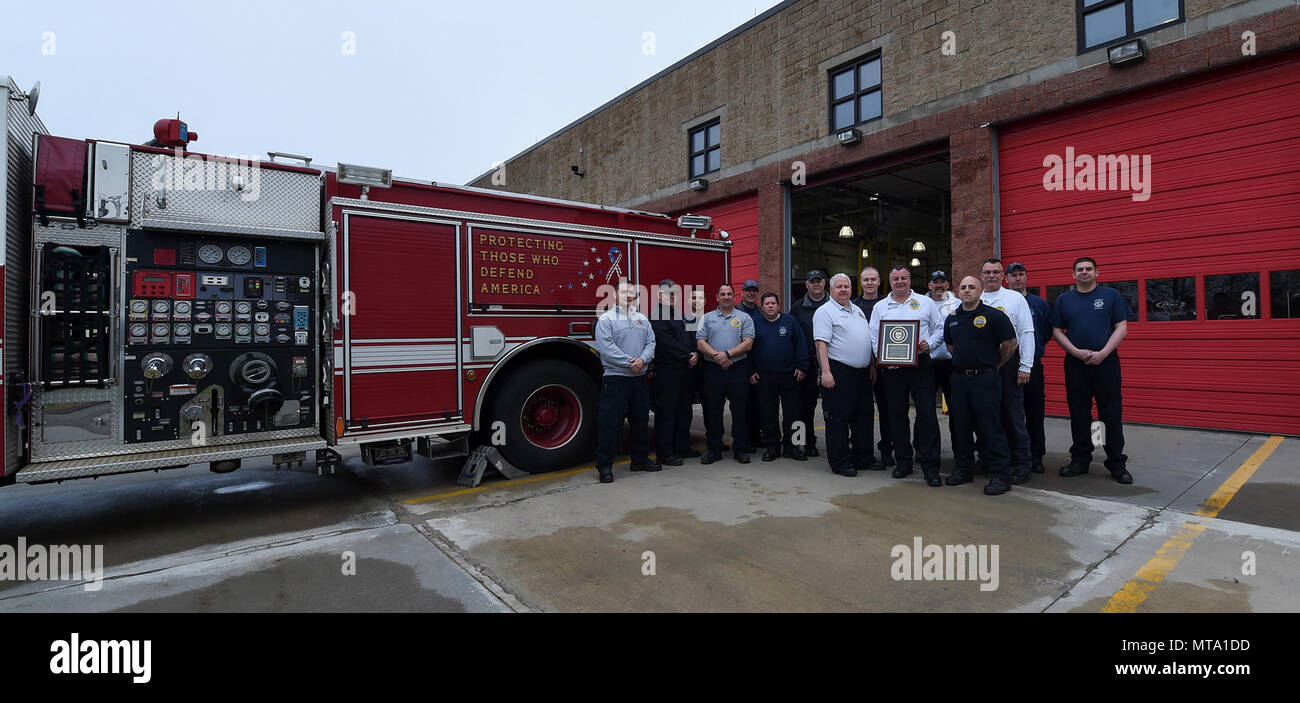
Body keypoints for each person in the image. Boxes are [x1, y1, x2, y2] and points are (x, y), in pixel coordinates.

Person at [1051, 256, 1132, 484]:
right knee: (1079, 413)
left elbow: (1121, 327)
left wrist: (1103, 353)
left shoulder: (1111, 296)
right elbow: (1057, 331)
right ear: (1073, 274)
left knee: (1110, 414)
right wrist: (1076, 352)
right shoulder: (1064, 300)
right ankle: (1080, 460)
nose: (1084, 272)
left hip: (1106, 363)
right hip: (1076, 365)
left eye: (1088, 269)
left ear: (1097, 272)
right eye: (1079, 269)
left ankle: (1116, 463)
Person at [868, 266, 946, 486]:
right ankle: (903, 462)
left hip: (921, 364)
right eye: (895, 279)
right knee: (896, 415)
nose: (900, 282)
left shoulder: (925, 302)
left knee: (927, 415)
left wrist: (929, 344)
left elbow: (940, 329)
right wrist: (882, 358)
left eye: (903, 278)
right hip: (892, 369)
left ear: (910, 280)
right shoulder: (880, 306)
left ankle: (931, 467)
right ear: (889, 281)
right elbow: (873, 336)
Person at [942, 276, 1019, 495]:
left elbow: (1010, 344)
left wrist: (996, 364)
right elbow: (950, 346)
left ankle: (1001, 475)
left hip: (985, 379)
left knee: (991, 427)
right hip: (959, 380)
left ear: (980, 290)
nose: (967, 291)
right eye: (963, 287)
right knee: (960, 427)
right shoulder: (952, 318)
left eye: (971, 287)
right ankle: (964, 469)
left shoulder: (995, 316)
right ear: (958, 291)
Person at [813, 273, 878, 477]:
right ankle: (840, 462)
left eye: (846, 286)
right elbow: (821, 344)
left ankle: (863, 457)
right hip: (838, 371)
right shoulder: (825, 312)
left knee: (864, 417)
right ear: (830, 290)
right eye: (839, 286)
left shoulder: (857, 310)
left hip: (861, 374)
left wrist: (871, 366)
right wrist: (826, 371)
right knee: (838, 419)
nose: (843, 290)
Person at [593, 280, 658, 483]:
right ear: (614, 296)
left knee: (640, 422)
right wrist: (629, 362)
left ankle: (639, 460)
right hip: (615, 379)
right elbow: (606, 347)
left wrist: (643, 360)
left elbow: (651, 342)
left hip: (638, 380)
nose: (628, 296)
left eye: (632, 292)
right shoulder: (606, 319)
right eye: (624, 292)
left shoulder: (642, 319)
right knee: (610, 424)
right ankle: (605, 467)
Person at [978, 258, 1036, 485]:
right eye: (987, 272)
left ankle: (1022, 463)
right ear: (981, 275)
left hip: (1009, 365)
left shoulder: (1015, 299)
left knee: (1012, 415)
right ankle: (986, 458)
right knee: (985, 416)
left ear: (1003, 276)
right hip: (982, 366)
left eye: (995, 272)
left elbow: (1027, 332)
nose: (991, 276)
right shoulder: (976, 298)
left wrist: (1025, 366)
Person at [696, 283, 756, 464]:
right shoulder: (706, 318)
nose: (726, 297)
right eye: (723, 294)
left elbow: (748, 342)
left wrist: (728, 354)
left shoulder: (744, 318)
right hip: (713, 370)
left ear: (734, 296)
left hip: (737, 369)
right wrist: (717, 356)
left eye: (729, 294)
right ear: (717, 297)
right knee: (714, 411)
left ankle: (740, 449)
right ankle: (714, 450)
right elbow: (700, 342)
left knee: (739, 412)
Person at [750, 292, 810, 461]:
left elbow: (801, 345)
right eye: (767, 303)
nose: (770, 306)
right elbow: (748, 349)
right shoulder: (755, 324)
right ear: (762, 306)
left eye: (773, 303)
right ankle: (772, 447)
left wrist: (802, 367)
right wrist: (750, 370)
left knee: (794, 413)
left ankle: (793, 447)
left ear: (778, 305)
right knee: (768, 414)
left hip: (789, 376)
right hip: (764, 378)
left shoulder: (790, 322)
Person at [1006, 262, 1051, 473]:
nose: (1017, 278)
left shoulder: (1038, 304)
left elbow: (1046, 331)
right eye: (1013, 275)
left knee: (1034, 412)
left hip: (1032, 366)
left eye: (1020, 274)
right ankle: (1012, 453)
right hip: (1008, 365)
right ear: (1006, 279)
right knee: (1010, 413)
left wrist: (1031, 355)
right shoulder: (1004, 302)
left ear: (1026, 277)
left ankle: (1036, 455)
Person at [649, 280, 699, 467]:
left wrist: (695, 353)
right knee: (667, 414)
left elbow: (690, 337)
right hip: (667, 371)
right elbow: (665, 342)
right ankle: (665, 453)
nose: (671, 296)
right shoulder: (656, 316)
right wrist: (687, 355)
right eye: (668, 293)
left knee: (684, 412)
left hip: (684, 371)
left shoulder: (679, 315)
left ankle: (682, 447)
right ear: (659, 295)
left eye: (674, 294)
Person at [851, 266, 895, 467]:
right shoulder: (852, 306)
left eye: (873, 279)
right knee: (860, 411)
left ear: (879, 282)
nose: (869, 283)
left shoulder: (889, 304)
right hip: (860, 367)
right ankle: (859, 448)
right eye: (866, 279)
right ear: (861, 282)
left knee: (887, 410)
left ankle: (887, 449)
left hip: (886, 366)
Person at [789, 270, 830, 457]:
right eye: (812, 282)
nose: (815, 284)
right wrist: (799, 365)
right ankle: (804, 443)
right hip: (807, 367)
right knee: (803, 408)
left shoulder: (835, 305)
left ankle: (836, 444)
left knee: (833, 408)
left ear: (824, 283)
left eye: (819, 281)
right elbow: (793, 339)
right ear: (806, 285)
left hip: (831, 366)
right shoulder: (797, 308)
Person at [679, 286, 709, 460]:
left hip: (708, 372)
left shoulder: (711, 319)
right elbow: (683, 345)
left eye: (700, 298)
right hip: (689, 371)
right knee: (685, 411)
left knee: (711, 408)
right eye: (693, 298)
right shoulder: (683, 321)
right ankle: (683, 446)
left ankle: (715, 441)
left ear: (705, 301)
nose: (697, 301)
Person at [926, 271, 959, 413]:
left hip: (951, 362)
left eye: (942, 282)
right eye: (935, 282)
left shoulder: (957, 304)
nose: (939, 285)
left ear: (947, 284)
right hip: (928, 361)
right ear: (929, 285)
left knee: (955, 406)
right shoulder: (921, 303)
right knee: (926, 405)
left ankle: (957, 436)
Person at [738, 279, 764, 453]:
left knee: (757, 404)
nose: (751, 293)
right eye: (748, 290)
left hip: (758, 363)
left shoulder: (760, 312)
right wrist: (748, 370)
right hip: (742, 364)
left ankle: (756, 437)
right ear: (742, 292)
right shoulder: (736, 312)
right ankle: (744, 440)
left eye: (754, 290)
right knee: (743, 406)